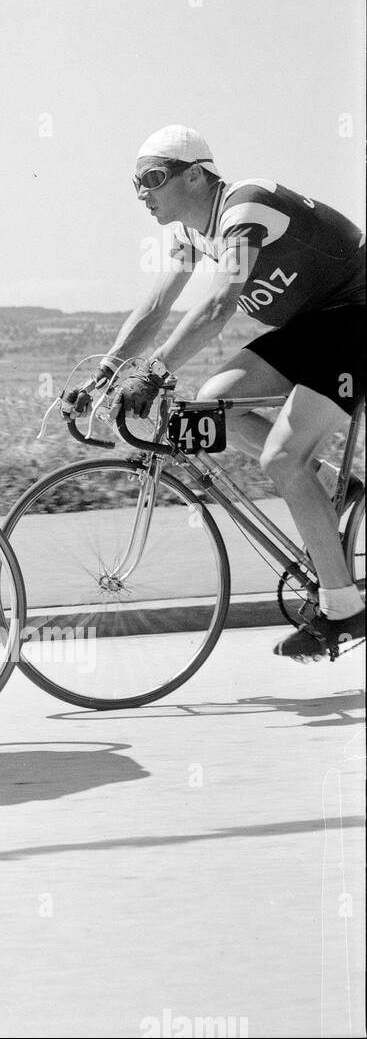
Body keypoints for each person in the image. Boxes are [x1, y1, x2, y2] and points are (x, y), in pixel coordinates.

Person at [67, 124, 365, 659]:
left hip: (357, 319)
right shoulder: (190, 234)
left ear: (198, 175)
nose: (142, 193)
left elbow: (219, 304)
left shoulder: (245, 208)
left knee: (281, 459)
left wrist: (155, 371)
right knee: (208, 401)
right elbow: (156, 309)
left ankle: (344, 612)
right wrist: (103, 376)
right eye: (134, 182)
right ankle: (331, 486)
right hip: (311, 327)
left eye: (153, 177)